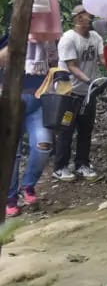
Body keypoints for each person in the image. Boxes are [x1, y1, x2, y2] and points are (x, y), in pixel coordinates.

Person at [0, 40, 54, 217]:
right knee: (11, 153)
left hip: (36, 102)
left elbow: (53, 62)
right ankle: (10, 199)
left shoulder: (46, 39)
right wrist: (21, 41)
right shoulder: (11, 37)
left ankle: (28, 185)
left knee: (43, 145)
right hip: (9, 103)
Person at [53, 5, 104, 182]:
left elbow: (103, 59)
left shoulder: (96, 37)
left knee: (85, 129)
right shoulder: (68, 39)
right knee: (66, 130)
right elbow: (72, 66)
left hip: (88, 92)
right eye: (87, 15)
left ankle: (82, 163)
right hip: (68, 92)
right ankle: (60, 167)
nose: (90, 18)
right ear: (78, 18)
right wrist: (90, 81)